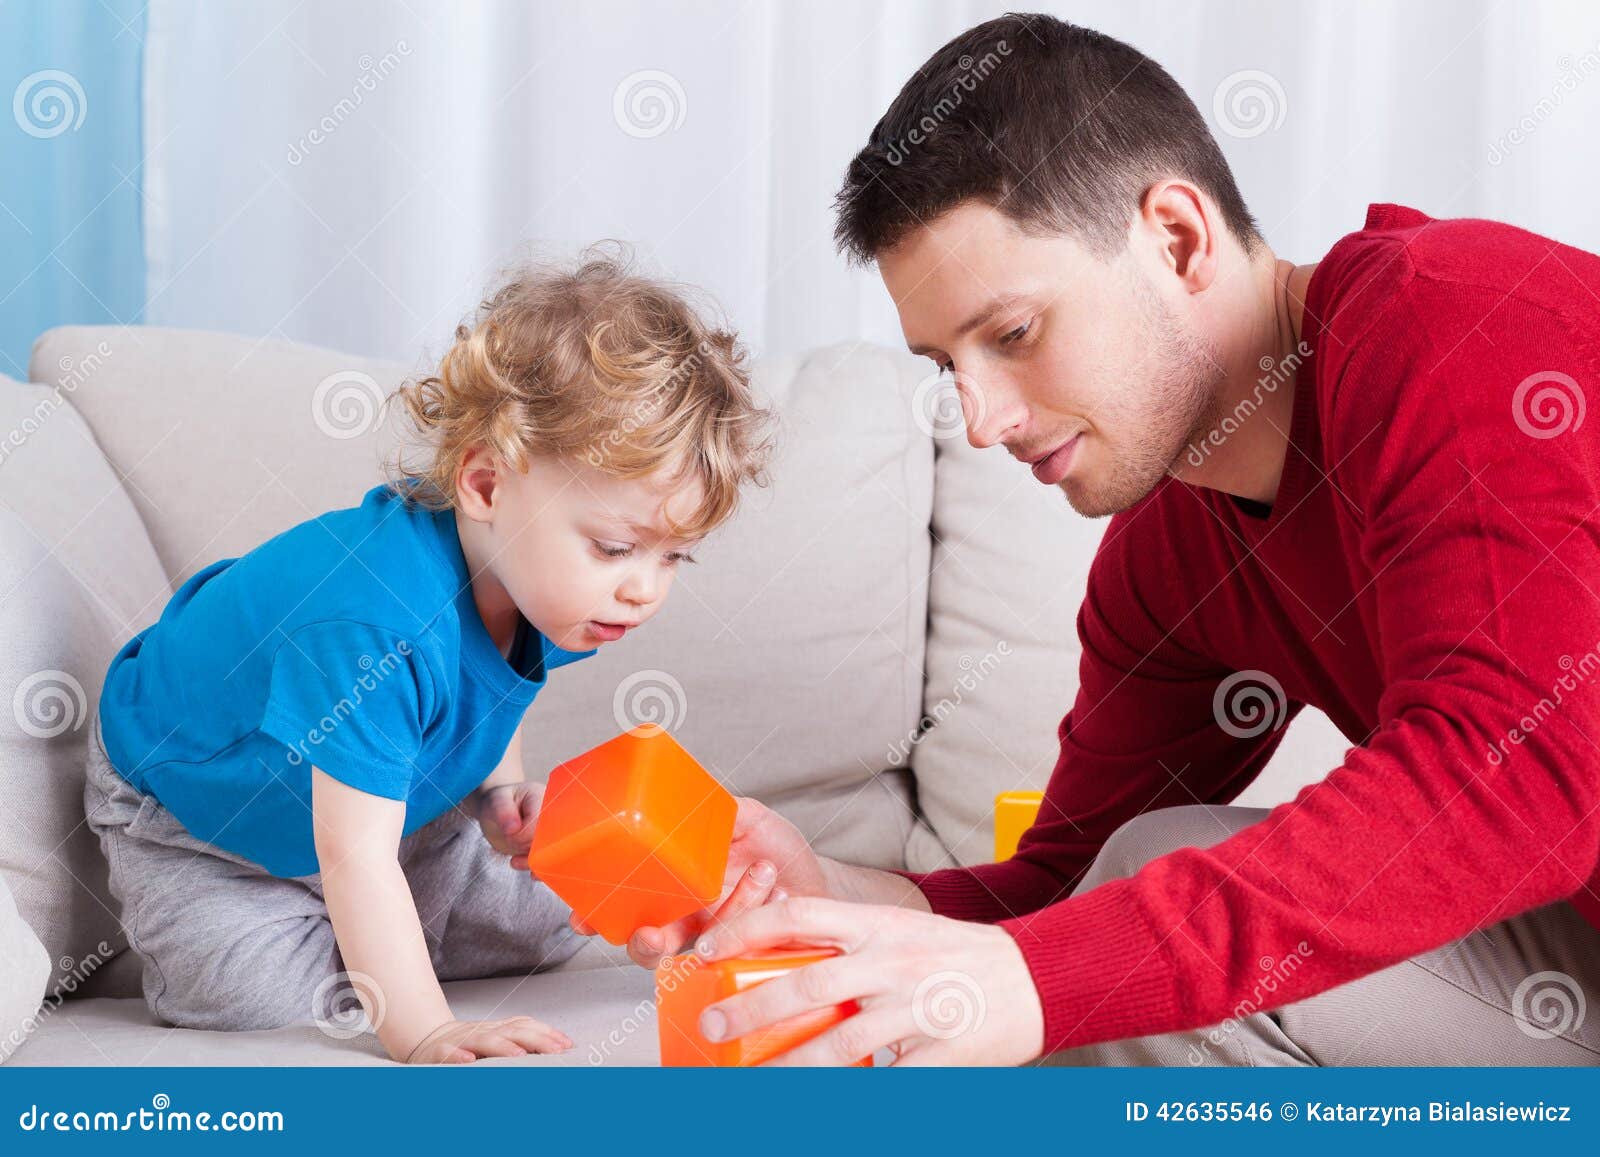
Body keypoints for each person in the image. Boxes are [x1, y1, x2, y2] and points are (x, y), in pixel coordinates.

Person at [592, 14, 1600, 1066]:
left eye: (1014, 334)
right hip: (1570, 947)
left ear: (1175, 238)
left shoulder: (1451, 320)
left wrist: (1036, 979)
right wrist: (836, 891)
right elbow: (1059, 888)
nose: (979, 418)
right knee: (1142, 870)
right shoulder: (1164, 555)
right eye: (947, 362)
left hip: (1552, 875)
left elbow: (1513, 778)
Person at [84, 250, 773, 1064]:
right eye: (619, 546)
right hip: (205, 819)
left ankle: (375, 924)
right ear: (484, 485)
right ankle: (336, 929)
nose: (644, 590)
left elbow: (497, 691)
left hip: (384, 805)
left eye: (672, 558)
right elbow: (352, 850)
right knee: (251, 992)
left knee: (554, 913)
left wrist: (500, 793)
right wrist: (424, 1028)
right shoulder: (378, 623)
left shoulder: (550, 583)